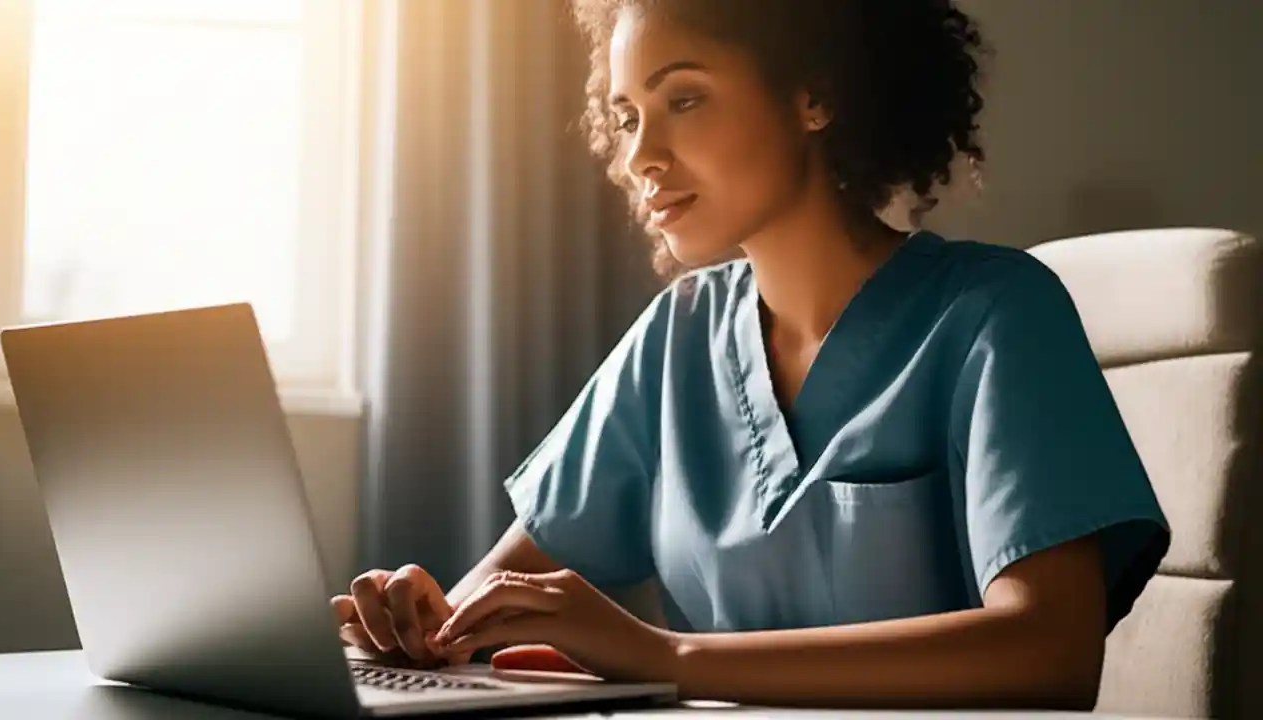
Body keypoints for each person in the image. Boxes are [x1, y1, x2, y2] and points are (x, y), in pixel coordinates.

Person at [331, 0, 1171, 709]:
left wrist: (665, 658)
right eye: (627, 117)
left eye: (683, 100)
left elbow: (1052, 654)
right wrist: (411, 624)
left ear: (814, 94)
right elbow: (482, 604)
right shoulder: (676, 338)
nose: (639, 156)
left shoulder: (995, 314)